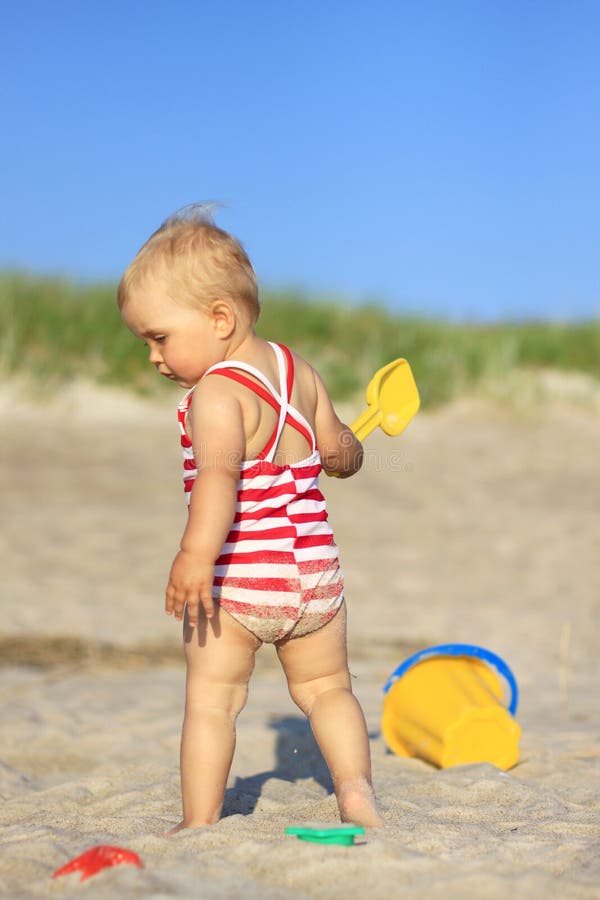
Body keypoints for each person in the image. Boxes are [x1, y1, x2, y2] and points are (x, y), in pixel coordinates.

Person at [118, 204, 382, 831]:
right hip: (315, 578)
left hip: (241, 579)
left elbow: (219, 478)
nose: (154, 356)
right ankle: (357, 793)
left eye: (159, 337)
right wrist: (345, 447)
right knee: (327, 691)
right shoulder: (299, 372)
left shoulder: (214, 393)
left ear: (219, 319)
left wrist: (194, 558)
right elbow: (342, 452)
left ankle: (199, 820)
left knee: (212, 702)